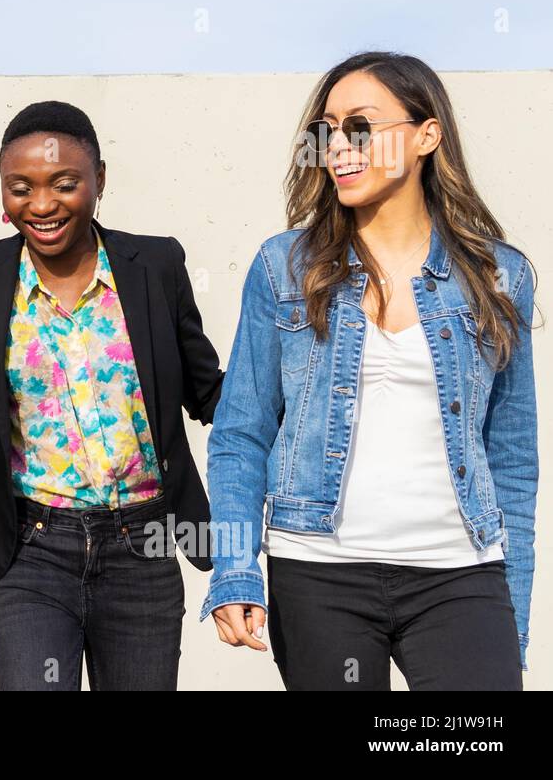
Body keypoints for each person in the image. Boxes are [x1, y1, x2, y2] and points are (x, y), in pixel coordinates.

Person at [203, 51, 538, 690]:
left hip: (460, 575)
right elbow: (240, 434)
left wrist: (511, 614)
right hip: (320, 572)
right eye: (327, 130)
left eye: (361, 126)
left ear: (426, 135)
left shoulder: (500, 276)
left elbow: (514, 458)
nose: (338, 147)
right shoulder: (286, 268)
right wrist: (236, 569)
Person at [0, 101, 224, 689]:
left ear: (99, 181)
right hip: (30, 550)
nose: (41, 205)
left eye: (64, 184)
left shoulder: (156, 265)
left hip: (144, 545)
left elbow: (210, 392)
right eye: (21, 188)